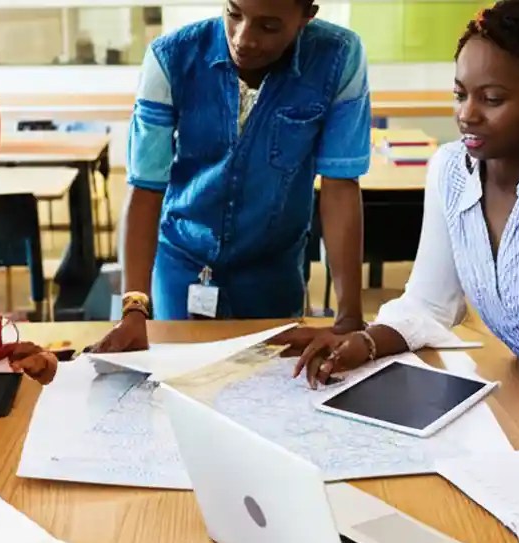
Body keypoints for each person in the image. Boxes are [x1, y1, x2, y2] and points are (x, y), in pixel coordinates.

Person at [295, 0, 519, 385]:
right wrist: (364, 342)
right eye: (460, 94)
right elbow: (430, 302)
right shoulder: (451, 170)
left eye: (492, 99)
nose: (467, 114)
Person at [91, 0, 373, 353]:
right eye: (234, 13)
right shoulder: (171, 57)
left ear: (306, 17)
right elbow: (146, 188)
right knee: (177, 379)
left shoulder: (338, 58)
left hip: (273, 271)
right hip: (182, 263)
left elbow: (340, 186)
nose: (243, 38)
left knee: (268, 388)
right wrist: (134, 309)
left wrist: (349, 318)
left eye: (268, 27)